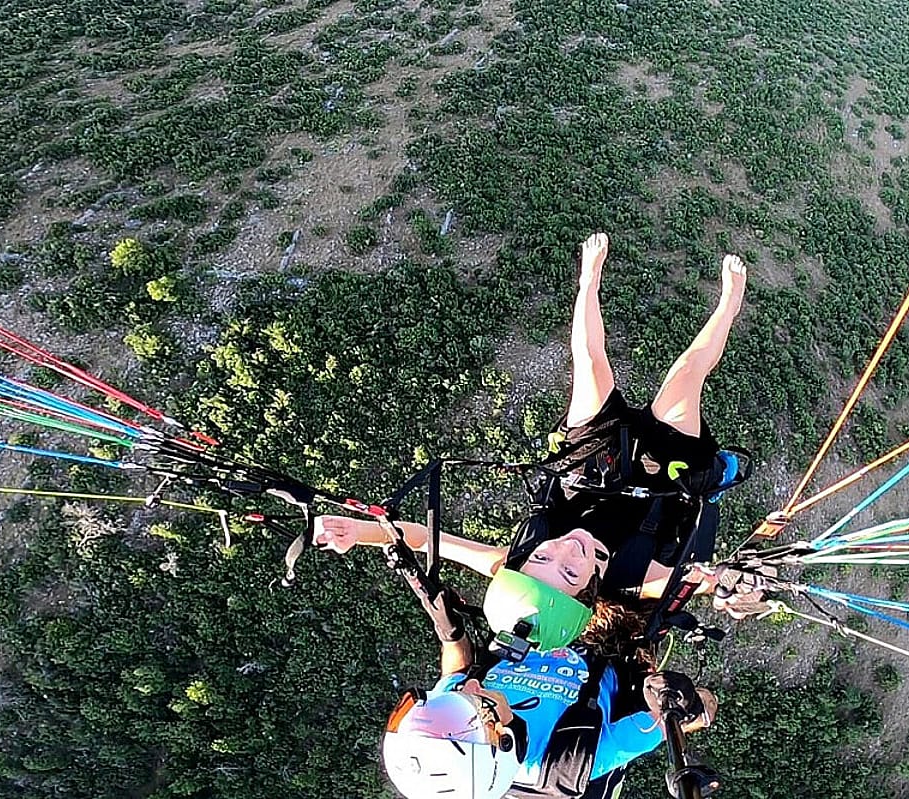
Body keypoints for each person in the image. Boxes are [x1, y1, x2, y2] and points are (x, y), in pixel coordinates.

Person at [315, 232, 748, 648]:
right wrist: (738, 590)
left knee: (589, 366)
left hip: (588, 470)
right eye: (572, 573)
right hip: (663, 483)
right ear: (591, 591)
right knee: (687, 374)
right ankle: (729, 306)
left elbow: (426, 539)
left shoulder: (512, 563)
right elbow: (716, 580)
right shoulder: (640, 579)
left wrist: (359, 531)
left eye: (540, 558)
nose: (563, 550)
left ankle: (588, 279)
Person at [381, 549, 716, 799]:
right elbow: (701, 712)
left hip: (539, 623)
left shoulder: (449, 714)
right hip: (608, 637)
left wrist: (449, 630)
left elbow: (456, 672)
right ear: (503, 739)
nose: (470, 684)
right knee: (665, 568)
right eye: (473, 703)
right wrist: (685, 702)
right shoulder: (567, 760)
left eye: (449, 700)